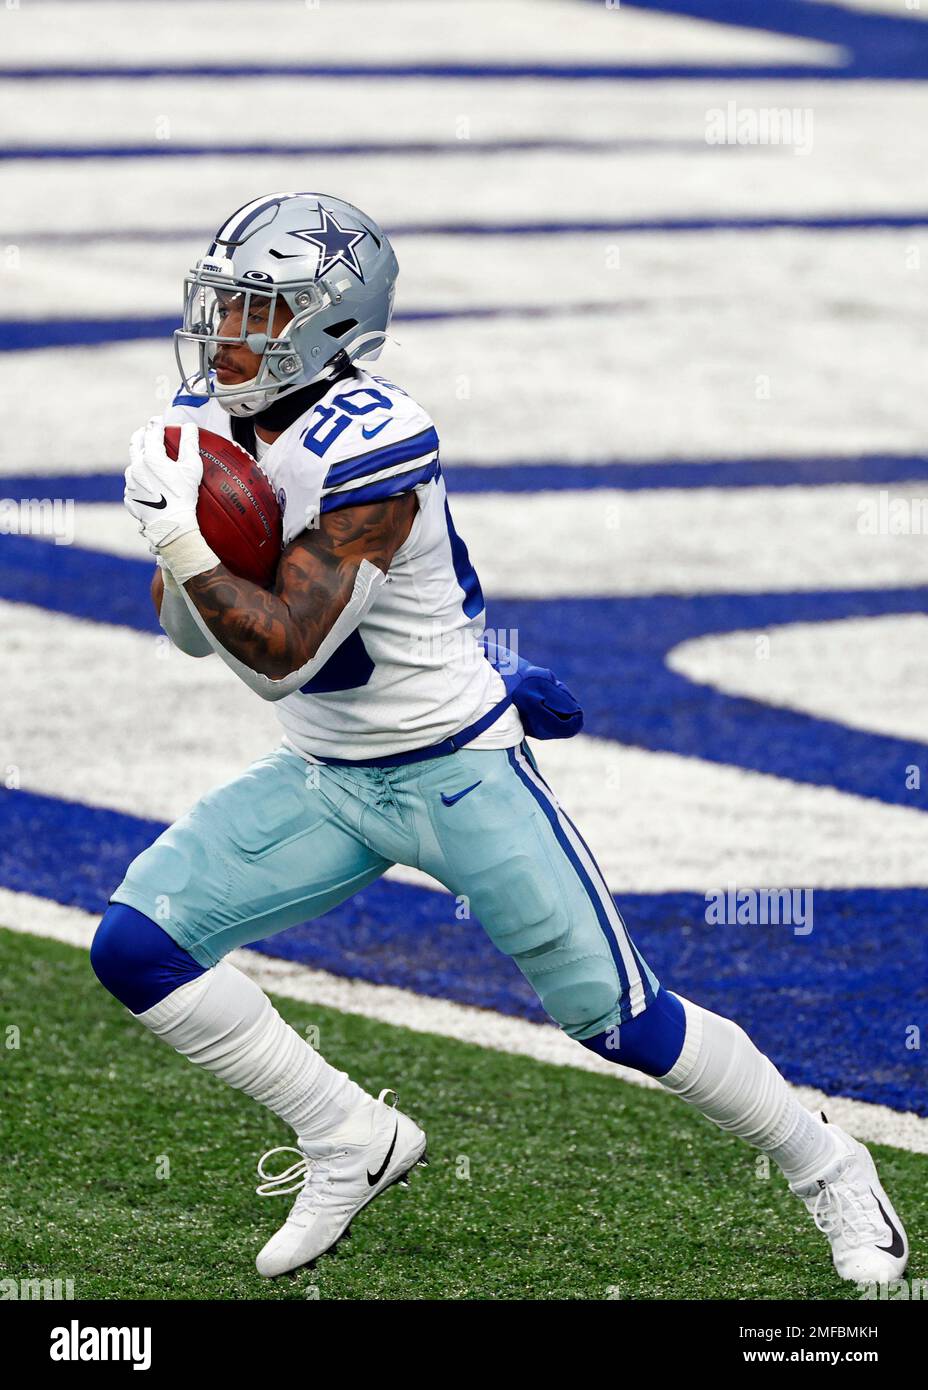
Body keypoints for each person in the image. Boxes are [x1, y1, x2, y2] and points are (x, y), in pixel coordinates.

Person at [91, 192, 908, 1284]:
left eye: (261, 310)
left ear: (334, 324)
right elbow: (197, 638)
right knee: (137, 948)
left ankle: (828, 1163)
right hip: (325, 773)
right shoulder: (210, 421)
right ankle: (347, 1133)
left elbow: (284, 648)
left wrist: (189, 546)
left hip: (455, 770)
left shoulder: (374, 437)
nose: (229, 332)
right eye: (225, 303)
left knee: (621, 1018)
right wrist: (180, 550)